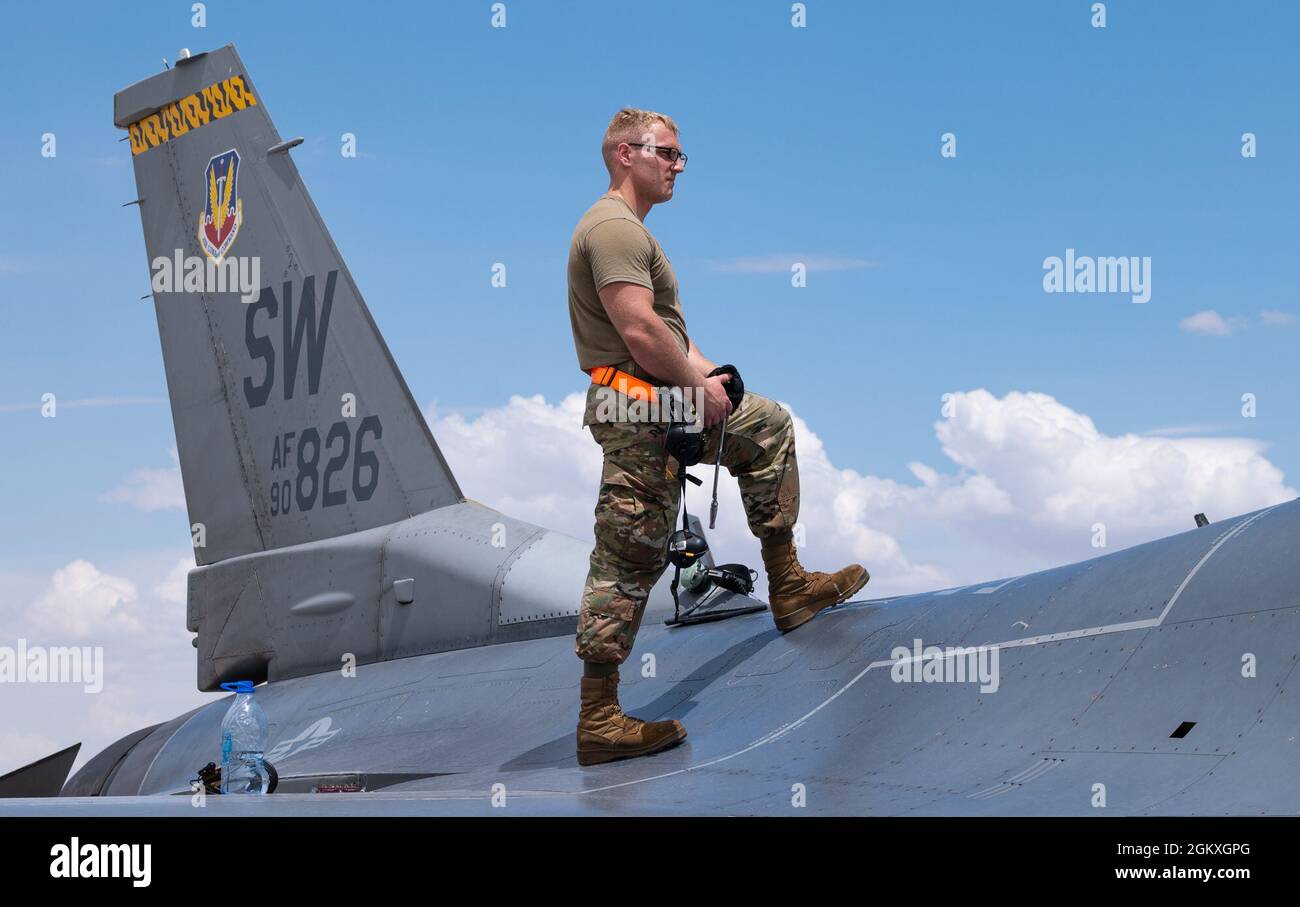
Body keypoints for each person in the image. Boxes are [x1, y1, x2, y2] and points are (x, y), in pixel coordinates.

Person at [567, 108, 870, 766]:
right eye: (667, 153)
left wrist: (713, 378)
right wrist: (696, 390)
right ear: (625, 154)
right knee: (629, 554)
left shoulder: (633, 232)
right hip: (639, 410)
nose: (678, 165)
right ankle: (599, 717)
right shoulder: (613, 228)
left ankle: (787, 585)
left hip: (665, 400)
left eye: (681, 156)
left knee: (764, 424)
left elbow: (669, 337)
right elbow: (640, 331)